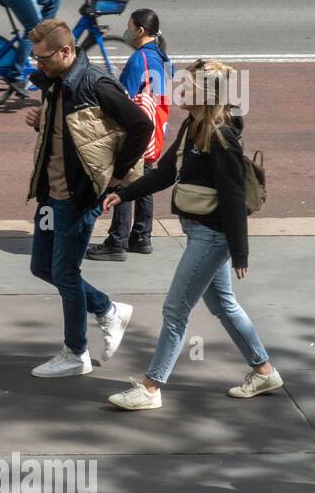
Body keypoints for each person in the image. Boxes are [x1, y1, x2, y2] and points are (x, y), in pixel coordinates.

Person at [105, 59, 282, 409]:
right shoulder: (193, 126)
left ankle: (151, 387)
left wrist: (239, 252)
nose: (180, 90)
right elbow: (166, 173)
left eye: (189, 86)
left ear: (208, 94)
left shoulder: (222, 137)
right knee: (223, 306)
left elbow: (233, 196)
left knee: (175, 308)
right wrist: (123, 193)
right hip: (199, 230)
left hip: (212, 236)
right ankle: (263, 371)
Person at [23, 19, 153, 378]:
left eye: (44, 58)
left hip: (79, 196)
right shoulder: (55, 82)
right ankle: (108, 309)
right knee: (42, 267)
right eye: (35, 59)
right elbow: (72, 130)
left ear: (66, 52)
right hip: (50, 194)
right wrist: (41, 120)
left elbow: (142, 126)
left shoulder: (95, 83)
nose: (39, 65)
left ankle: (75, 352)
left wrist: (116, 177)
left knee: (65, 272)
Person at [87, 9, 172, 261]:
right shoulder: (162, 57)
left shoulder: (139, 60)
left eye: (129, 27)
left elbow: (124, 98)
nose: (127, 32)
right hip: (156, 127)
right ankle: (141, 236)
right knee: (144, 178)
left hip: (138, 129)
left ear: (140, 30)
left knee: (125, 178)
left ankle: (117, 241)